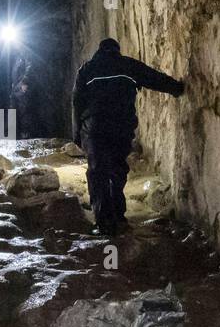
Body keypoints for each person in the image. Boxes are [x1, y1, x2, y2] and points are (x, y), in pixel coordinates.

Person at [72, 37, 184, 236]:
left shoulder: (86, 70)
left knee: (98, 172)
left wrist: (77, 135)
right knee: (117, 170)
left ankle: (103, 222)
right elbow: (153, 78)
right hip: (120, 127)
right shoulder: (127, 65)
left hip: (95, 129)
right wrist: (176, 88)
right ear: (117, 50)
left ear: (99, 51)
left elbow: (76, 102)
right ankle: (118, 215)